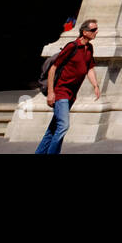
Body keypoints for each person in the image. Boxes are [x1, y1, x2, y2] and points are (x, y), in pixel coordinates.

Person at [35, 19, 100, 155]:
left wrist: (95, 86)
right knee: (63, 126)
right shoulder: (72, 46)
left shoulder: (89, 48)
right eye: (93, 30)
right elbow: (53, 68)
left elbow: (89, 68)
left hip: (72, 94)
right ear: (84, 32)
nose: (96, 32)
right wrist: (51, 92)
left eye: (96, 29)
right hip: (61, 92)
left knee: (53, 128)